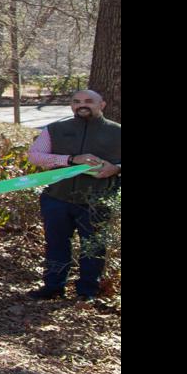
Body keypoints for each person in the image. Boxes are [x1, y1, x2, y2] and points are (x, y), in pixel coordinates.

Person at [23, 88, 121, 302]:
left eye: (89, 101)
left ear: (102, 104)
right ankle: (53, 287)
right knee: (56, 244)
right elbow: (35, 156)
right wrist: (70, 159)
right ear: (71, 105)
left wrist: (116, 168)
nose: (82, 105)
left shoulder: (117, 131)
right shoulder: (55, 129)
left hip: (97, 201)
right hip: (57, 198)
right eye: (76, 101)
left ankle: (87, 292)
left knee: (93, 248)